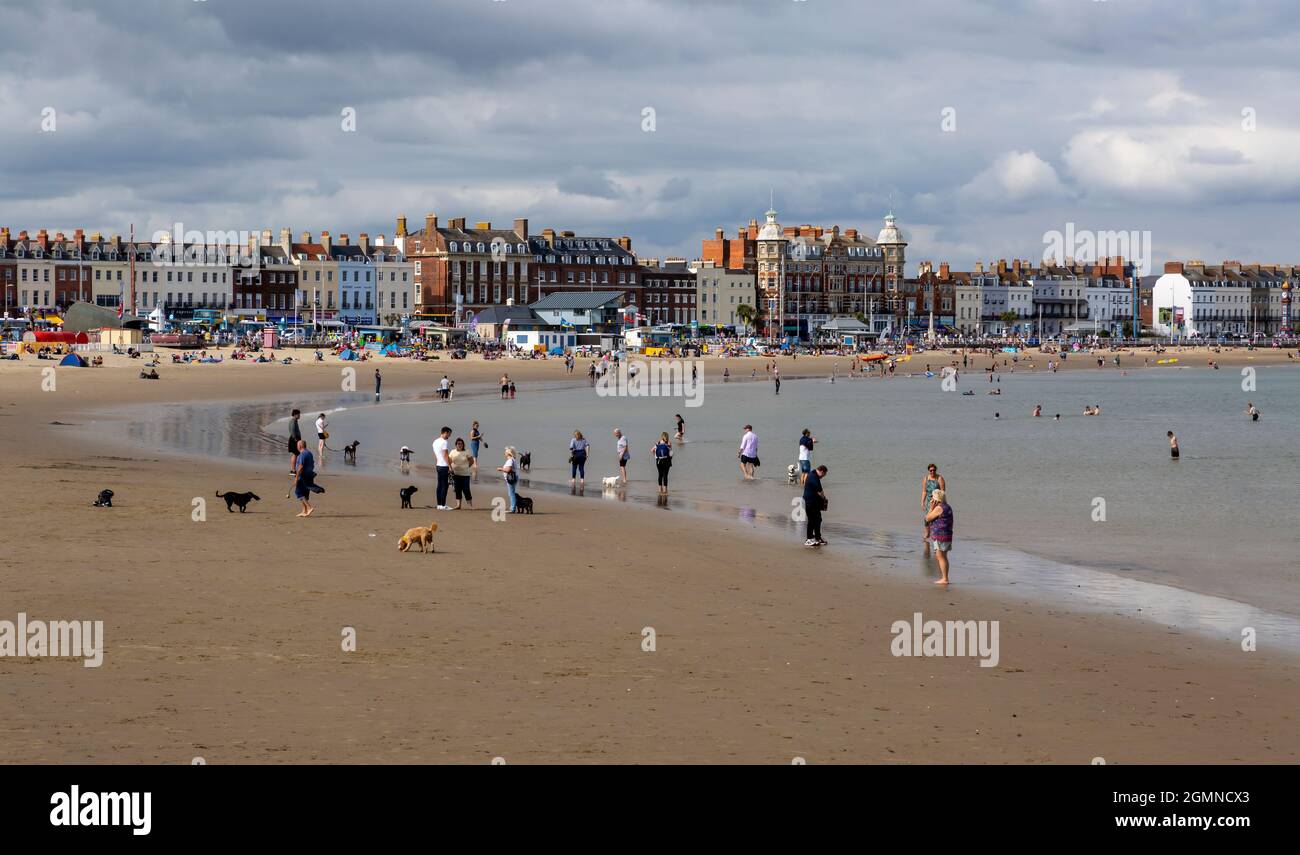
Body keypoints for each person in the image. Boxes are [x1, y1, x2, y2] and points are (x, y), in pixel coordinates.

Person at [925, 488, 954, 584]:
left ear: (937, 499)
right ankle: (945, 577)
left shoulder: (939, 508)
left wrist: (931, 508)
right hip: (947, 534)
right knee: (944, 556)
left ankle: (945, 578)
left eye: (932, 498)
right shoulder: (948, 507)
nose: (931, 500)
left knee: (940, 556)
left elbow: (927, 518)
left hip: (940, 535)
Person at [292, 439, 324, 517]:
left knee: (298, 493)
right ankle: (304, 511)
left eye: (297, 445)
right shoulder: (309, 453)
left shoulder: (302, 454)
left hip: (303, 476)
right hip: (309, 475)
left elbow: (300, 466)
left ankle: (309, 508)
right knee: (304, 494)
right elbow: (312, 464)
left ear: (299, 446)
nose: (297, 447)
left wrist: (296, 477)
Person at [920, 463, 946, 556]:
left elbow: (943, 492)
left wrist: (941, 503)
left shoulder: (939, 478)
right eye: (930, 470)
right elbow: (924, 491)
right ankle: (927, 533)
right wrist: (922, 502)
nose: (932, 472)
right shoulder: (926, 478)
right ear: (928, 471)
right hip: (928, 502)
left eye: (934, 470)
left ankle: (936, 537)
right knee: (926, 518)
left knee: (935, 519)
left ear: (936, 470)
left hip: (937, 501)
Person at [803, 464, 828, 547]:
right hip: (810, 501)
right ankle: (809, 539)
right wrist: (824, 498)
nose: (822, 477)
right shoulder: (813, 476)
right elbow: (820, 490)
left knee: (818, 519)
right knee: (811, 520)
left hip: (814, 502)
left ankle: (818, 537)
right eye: (823, 475)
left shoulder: (814, 474)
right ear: (821, 471)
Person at [448, 437, 474, 509]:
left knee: (466, 489)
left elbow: (472, 461)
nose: (460, 445)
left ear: (463, 445)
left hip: (465, 474)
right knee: (457, 489)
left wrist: (466, 467)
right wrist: (450, 468)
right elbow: (449, 461)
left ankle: (470, 505)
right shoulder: (453, 452)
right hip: (455, 474)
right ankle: (458, 505)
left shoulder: (467, 451)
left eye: (461, 444)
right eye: (458, 444)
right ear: (456, 445)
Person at [432, 426, 452, 509]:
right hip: (444, 466)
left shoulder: (435, 442)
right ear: (445, 432)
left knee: (439, 485)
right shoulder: (444, 442)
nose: (449, 436)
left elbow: (436, 455)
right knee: (445, 485)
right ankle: (443, 505)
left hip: (438, 465)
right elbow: (445, 455)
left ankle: (439, 505)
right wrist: (450, 466)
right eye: (449, 434)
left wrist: (437, 462)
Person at [498, 446, 519, 512]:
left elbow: (508, 469)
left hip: (511, 478)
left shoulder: (510, 460)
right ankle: (513, 507)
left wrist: (501, 469)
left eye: (505, 452)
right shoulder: (513, 459)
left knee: (511, 493)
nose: (504, 453)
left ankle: (512, 508)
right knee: (512, 493)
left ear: (508, 453)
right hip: (514, 477)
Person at [653, 431, 673, 496]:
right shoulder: (669, 443)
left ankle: (660, 490)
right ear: (667, 437)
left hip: (658, 461)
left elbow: (652, 450)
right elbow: (671, 453)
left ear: (661, 436)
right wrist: (670, 459)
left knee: (660, 475)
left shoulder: (658, 443)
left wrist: (656, 457)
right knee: (665, 475)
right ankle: (665, 491)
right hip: (666, 461)